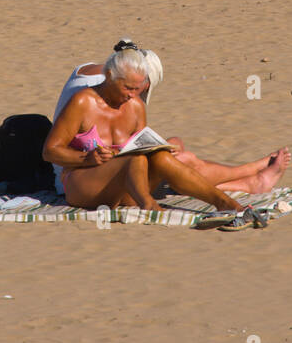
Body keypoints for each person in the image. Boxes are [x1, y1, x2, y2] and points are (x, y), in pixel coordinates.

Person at [42, 47, 268, 218]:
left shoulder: (136, 106)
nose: (132, 95)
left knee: (158, 156)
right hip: (84, 184)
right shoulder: (83, 102)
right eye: (127, 88)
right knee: (134, 159)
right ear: (109, 76)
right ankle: (149, 206)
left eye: (138, 89)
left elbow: (142, 148)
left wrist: (162, 148)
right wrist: (86, 157)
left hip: (127, 191)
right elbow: (49, 151)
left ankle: (223, 202)